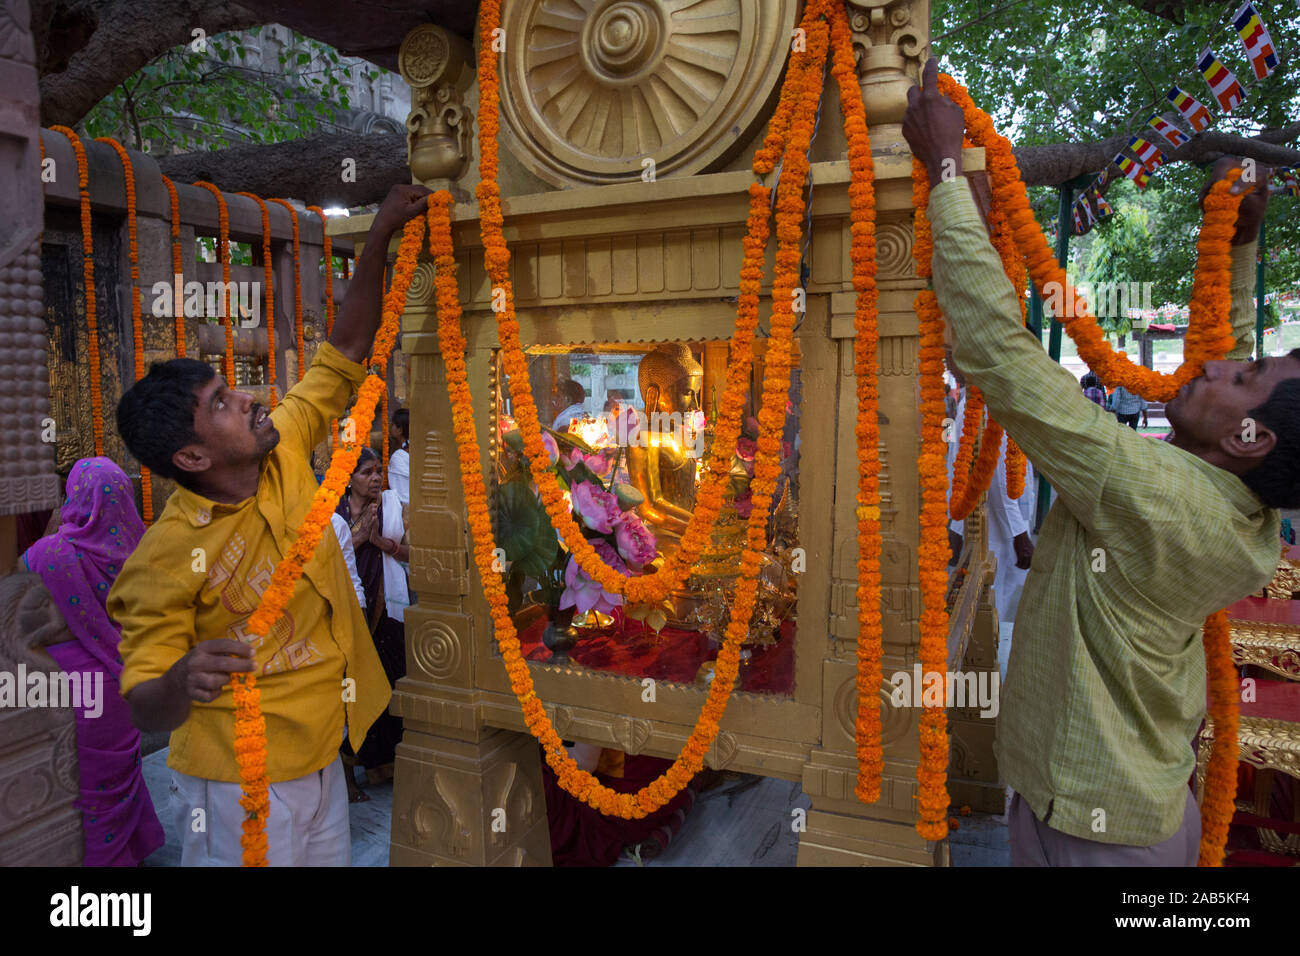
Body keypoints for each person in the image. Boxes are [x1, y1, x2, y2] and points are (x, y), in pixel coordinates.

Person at [906, 57, 1295, 866]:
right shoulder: (1238, 505)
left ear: (1247, 440)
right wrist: (1241, 243)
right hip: (1146, 805)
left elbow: (997, 356)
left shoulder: (1149, 490)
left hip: (1092, 830)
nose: (1222, 364)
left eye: (1247, 375)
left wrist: (945, 170)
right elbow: (1217, 367)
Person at [108, 184, 432, 867]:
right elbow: (145, 706)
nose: (253, 400)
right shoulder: (166, 557)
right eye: (222, 403)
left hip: (324, 751)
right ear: (192, 456)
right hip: (236, 779)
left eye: (234, 387)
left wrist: (376, 239)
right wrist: (182, 679)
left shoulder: (282, 446)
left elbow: (342, 352)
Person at [20, 457, 165, 867]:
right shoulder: (145, 554)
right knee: (116, 781)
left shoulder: (48, 555)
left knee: (78, 792)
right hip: (123, 690)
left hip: (64, 692)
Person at [334, 447, 410, 786]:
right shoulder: (332, 515)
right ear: (349, 480)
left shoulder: (393, 506)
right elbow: (321, 559)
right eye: (366, 472)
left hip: (387, 609)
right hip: (348, 606)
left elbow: (416, 551)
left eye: (378, 470)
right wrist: (356, 538)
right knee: (352, 685)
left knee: (390, 680)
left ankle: (387, 763)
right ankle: (350, 770)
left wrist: (385, 544)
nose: (376, 477)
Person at [388, 407, 410, 506]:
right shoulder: (416, 449)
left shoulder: (399, 457)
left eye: (392, 424)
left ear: (400, 430)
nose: (390, 426)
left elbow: (401, 496)